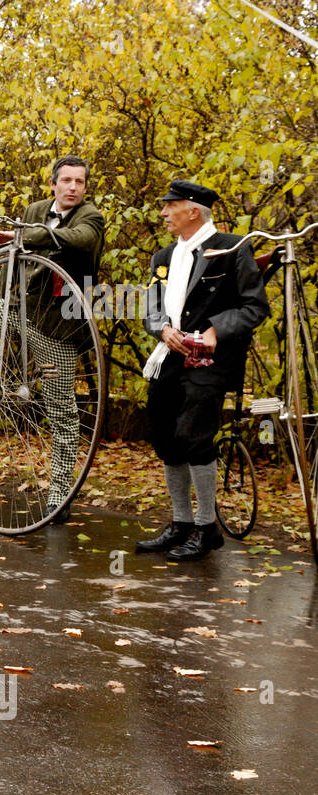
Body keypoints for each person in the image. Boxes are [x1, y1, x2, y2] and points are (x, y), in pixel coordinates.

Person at [0, 154, 103, 522]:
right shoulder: (35, 208)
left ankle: (59, 496)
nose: (73, 187)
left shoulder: (91, 218)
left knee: (63, 417)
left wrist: (22, 233)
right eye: (67, 180)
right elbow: (16, 260)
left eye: (80, 182)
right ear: (53, 183)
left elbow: (79, 240)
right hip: (16, 315)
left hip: (55, 331)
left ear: (85, 188)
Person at [137, 180, 268, 560]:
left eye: (169, 205)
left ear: (193, 210)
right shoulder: (162, 257)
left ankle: (207, 528)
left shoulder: (233, 248)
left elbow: (254, 306)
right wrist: (161, 328)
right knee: (164, 434)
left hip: (212, 359)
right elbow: (151, 306)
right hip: (170, 354)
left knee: (194, 434)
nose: (163, 213)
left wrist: (215, 330)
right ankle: (181, 523)